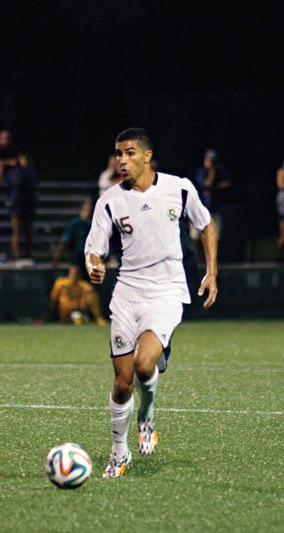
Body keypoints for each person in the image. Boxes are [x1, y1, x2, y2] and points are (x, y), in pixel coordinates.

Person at [84, 127, 218, 478]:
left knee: (145, 365)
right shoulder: (110, 199)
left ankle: (147, 414)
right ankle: (119, 452)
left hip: (167, 292)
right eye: (118, 153)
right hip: (127, 293)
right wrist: (94, 265)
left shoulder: (180, 188)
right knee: (122, 380)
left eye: (129, 153)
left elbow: (207, 226)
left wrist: (212, 272)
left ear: (146, 155)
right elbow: (94, 248)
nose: (121, 160)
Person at [53, 198, 92, 272]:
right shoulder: (75, 223)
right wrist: (57, 256)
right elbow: (65, 240)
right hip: (76, 257)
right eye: (86, 210)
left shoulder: (91, 224)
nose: (88, 213)